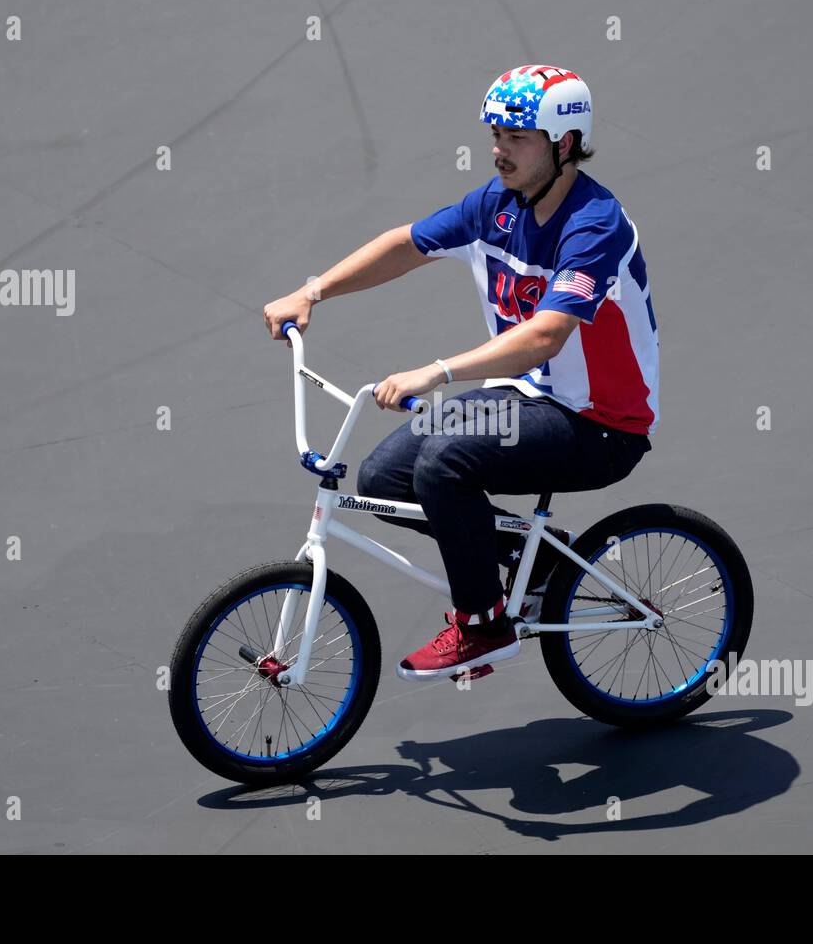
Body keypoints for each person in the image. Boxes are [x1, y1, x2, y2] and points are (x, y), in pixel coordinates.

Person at [263, 65, 660, 682]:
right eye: (496, 134)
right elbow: (406, 244)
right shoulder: (495, 206)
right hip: (522, 401)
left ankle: (481, 625)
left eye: (518, 138)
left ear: (564, 144)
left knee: (444, 463)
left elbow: (546, 335)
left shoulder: (594, 226)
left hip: (598, 424)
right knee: (385, 477)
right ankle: (535, 565)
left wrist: (438, 372)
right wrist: (312, 291)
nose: (500, 149)